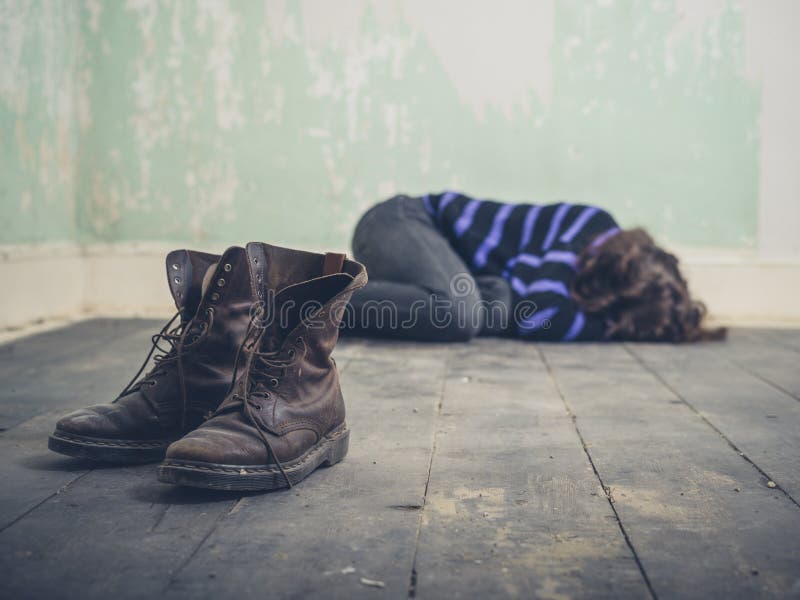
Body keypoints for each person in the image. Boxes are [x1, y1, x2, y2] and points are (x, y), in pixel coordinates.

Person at [345, 192, 724, 343]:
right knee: (461, 312)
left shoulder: (579, 270)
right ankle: (305, 302)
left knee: (489, 307)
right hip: (401, 222)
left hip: (447, 266)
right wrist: (606, 329)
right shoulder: (590, 227)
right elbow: (536, 316)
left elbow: (529, 310)